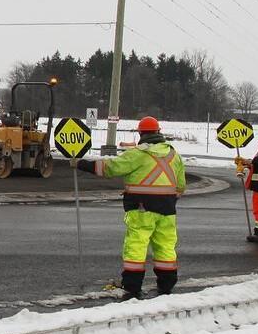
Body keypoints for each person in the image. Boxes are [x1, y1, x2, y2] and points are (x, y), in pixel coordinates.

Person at [72, 116, 186, 300]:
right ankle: (166, 286)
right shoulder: (174, 154)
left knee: (136, 246)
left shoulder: (138, 154)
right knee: (165, 247)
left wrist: (82, 164)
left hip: (141, 208)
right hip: (167, 209)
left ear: (141, 133)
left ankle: (133, 288)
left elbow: (111, 168)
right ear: (159, 131)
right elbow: (180, 186)